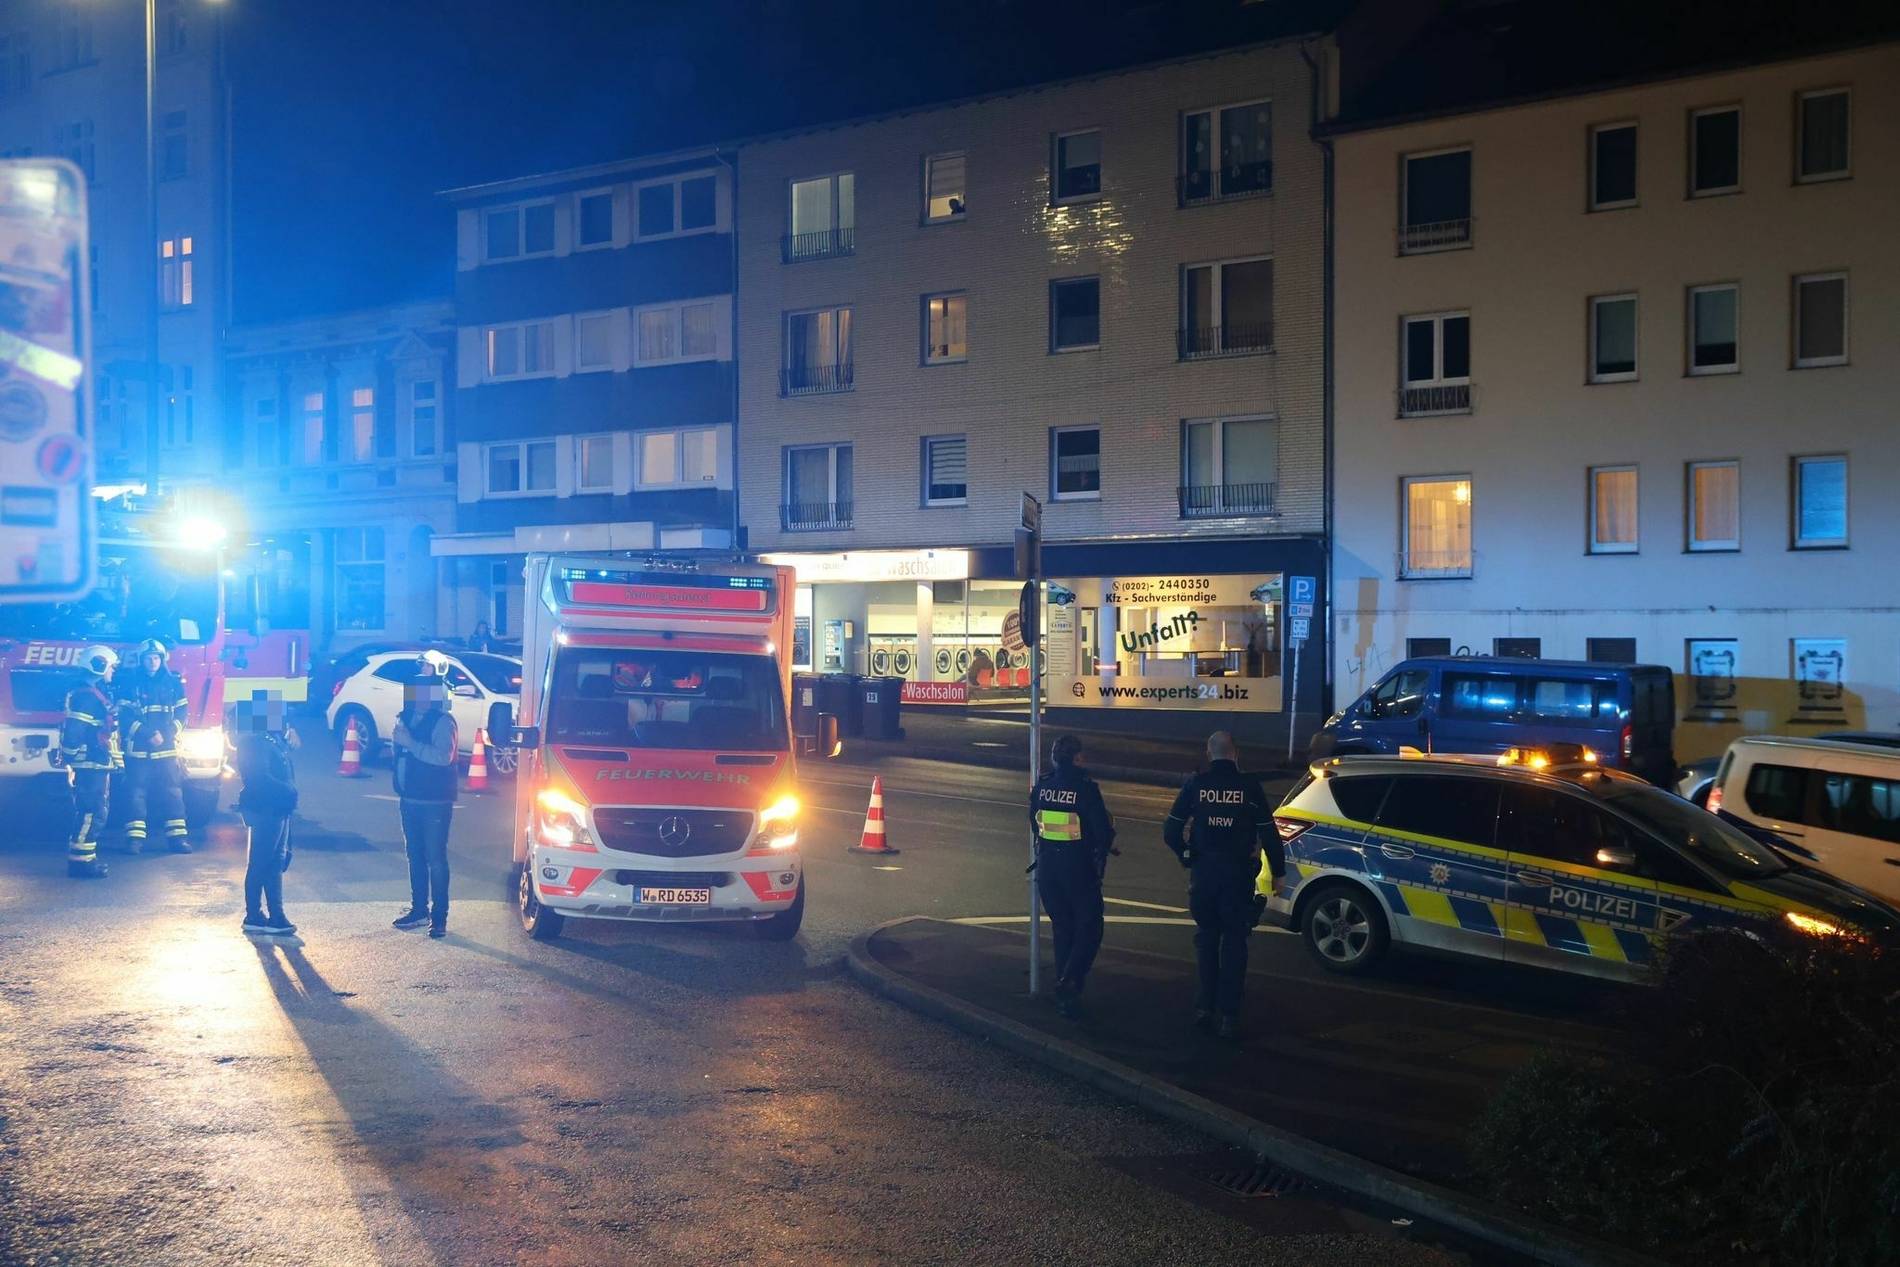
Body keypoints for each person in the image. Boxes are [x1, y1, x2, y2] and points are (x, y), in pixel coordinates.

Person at [1163, 731, 1280, 1040]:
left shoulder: (1196, 785)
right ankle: (1228, 1015)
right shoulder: (1249, 787)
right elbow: (1269, 834)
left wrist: (1186, 855)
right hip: (1237, 877)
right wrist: (1278, 872)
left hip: (1203, 878)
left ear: (1208, 752)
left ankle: (1204, 1009)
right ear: (1235, 753)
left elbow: (1170, 829)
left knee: (1206, 940)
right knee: (1234, 945)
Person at [1029, 733, 1116, 1017]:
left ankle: (1066, 994)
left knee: (1063, 929)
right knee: (1090, 928)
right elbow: (1102, 832)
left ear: (1055, 758)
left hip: (1047, 870)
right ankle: (1069, 981)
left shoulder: (1042, 787)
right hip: (1077, 870)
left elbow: (1035, 823)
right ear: (1077, 758)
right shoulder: (1085, 789)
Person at [390, 650, 459, 939]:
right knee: (414, 856)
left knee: (435, 858)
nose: (418, 696)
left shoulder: (444, 722)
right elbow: (401, 752)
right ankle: (419, 910)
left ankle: (439, 917)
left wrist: (409, 741)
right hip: (409, 797)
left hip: (435, 800)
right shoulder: (405, 717)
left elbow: (443, 757)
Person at [232, 690, 299, 937]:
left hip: (277, 807)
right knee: (262, 862)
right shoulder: (254, 741)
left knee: (275, 862)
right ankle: (254, 914)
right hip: (266, 808)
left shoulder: (268, 738)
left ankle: (276, 916)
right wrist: (289, 792)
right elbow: (259, 777)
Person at [115, 637, 190, 853]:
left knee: (173, 792)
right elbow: (125, 715)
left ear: (162, 659)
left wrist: (166, 734)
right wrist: (147, 734)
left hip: (166, 749)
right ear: (142, 660)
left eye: (156, 658)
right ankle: (134, 840)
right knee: (135, 793)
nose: (152, 662)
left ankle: (178, 839)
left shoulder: (173, 683)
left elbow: (182, 713)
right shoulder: (130, 684)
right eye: (148, 658)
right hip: (138, 750)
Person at [60, 645, 122, 879]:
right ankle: (80, 863)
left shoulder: (87, 693)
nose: (113, 672)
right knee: (92, 811)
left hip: (95, 761)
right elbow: (76, 730)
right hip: (91, 762)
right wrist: (72, 754)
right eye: (111, 667)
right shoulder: (87, 697)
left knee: (92, 810)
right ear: (100, 665)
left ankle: (86, 858)